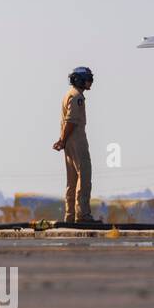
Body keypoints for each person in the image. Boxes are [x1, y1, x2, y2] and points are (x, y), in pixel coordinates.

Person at [53, 67, 94, 222]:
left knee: (71, 180)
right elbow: (71, 121)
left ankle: (70, 215)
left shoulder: (69, 95)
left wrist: (63, 140)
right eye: (87, 78)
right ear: (79, 79)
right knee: (84, 176)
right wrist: (63, 140)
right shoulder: (77, 97)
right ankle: (82, 214)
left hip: (70, 141)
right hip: (76, 140)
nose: (90, 81)